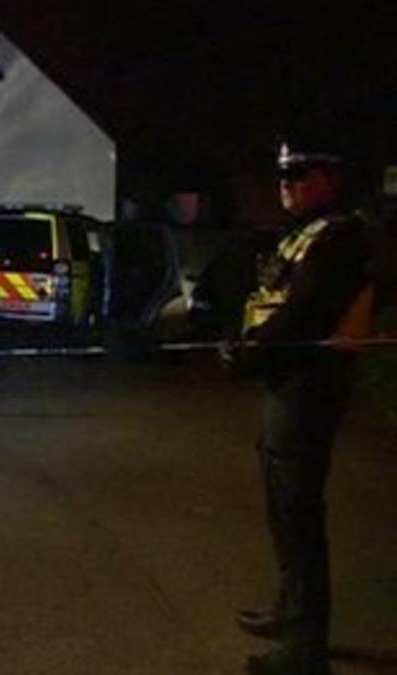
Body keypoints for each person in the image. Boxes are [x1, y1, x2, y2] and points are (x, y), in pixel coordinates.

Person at [221, 137, 372, 675]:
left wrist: (248, 355)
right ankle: (291, 613)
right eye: (284, 175)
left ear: (331, 178)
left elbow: (304, 314)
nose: (287, 184)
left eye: (300, 174)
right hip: (287, 383)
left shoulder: (338, 236)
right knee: (282, 509)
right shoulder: (304, 231)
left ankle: (305, 649)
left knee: (298, 515)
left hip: (309, 387)